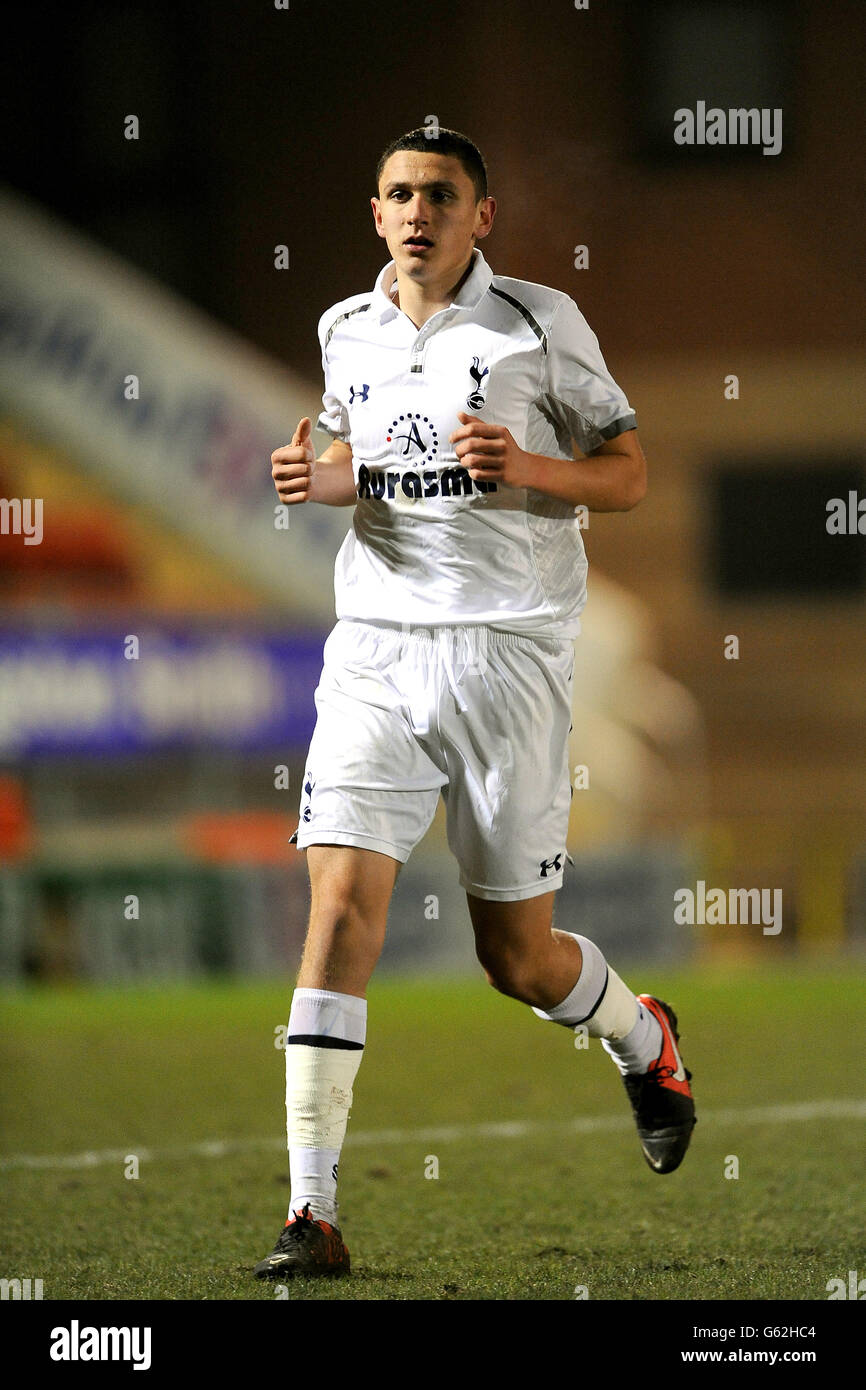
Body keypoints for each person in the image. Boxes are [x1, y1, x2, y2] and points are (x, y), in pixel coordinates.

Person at [254, 128, 695, 1280]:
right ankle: (312, 1213)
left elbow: (630, 473)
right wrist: (320, 479)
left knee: (517, 958)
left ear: (480, 217)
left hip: (507, 656)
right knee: (340, 904)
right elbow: (368, 460)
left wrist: (530, 468)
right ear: (374, 210)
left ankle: (642, 1038)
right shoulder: (345, 329)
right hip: (376, 651)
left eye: (439, 195)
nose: (416, 211)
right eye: (397, 192)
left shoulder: (540, 325)